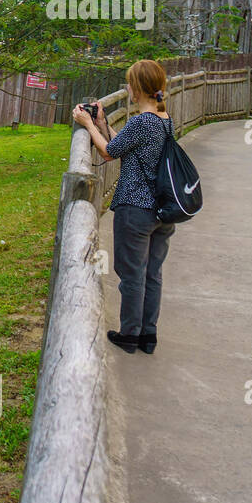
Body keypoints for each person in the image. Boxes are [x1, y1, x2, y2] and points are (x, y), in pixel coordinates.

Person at [72, 59, 175, 355]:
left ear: (138, 88)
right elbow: (126, 148)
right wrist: (103, 123)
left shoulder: (143, 121)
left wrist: (88, 124)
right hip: (161, 211)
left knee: (132, 274)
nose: (128, 87)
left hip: (136, 209)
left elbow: (107, 153)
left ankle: (129, 334)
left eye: (130, 83)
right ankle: (147, 335)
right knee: (152, 273)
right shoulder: (163, 120)